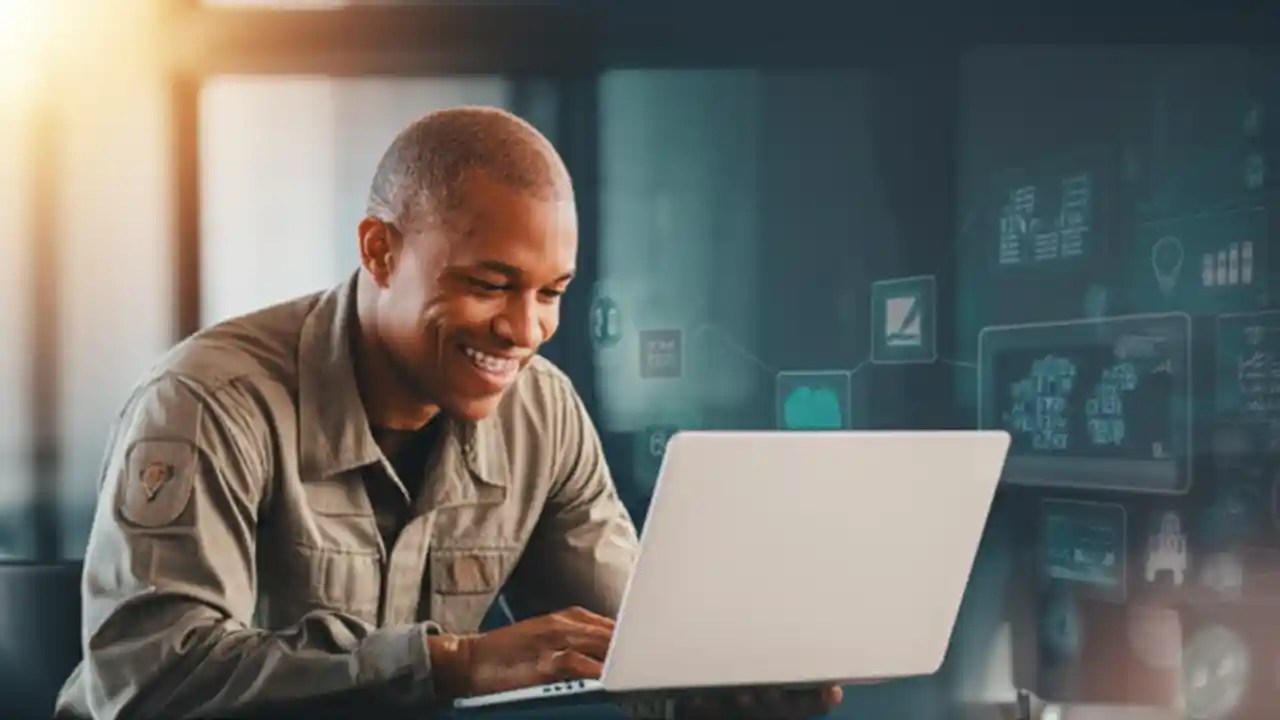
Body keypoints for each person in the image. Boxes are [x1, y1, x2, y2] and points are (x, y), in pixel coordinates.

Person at [54, 106, 844, 719]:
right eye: (491, 284)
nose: (526, 330)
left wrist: (718, 686)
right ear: (380, 252)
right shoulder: (208, 405)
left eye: (552, 294)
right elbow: (151, 684)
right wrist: (453, 663)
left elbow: (622, 646)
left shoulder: (543, 413)